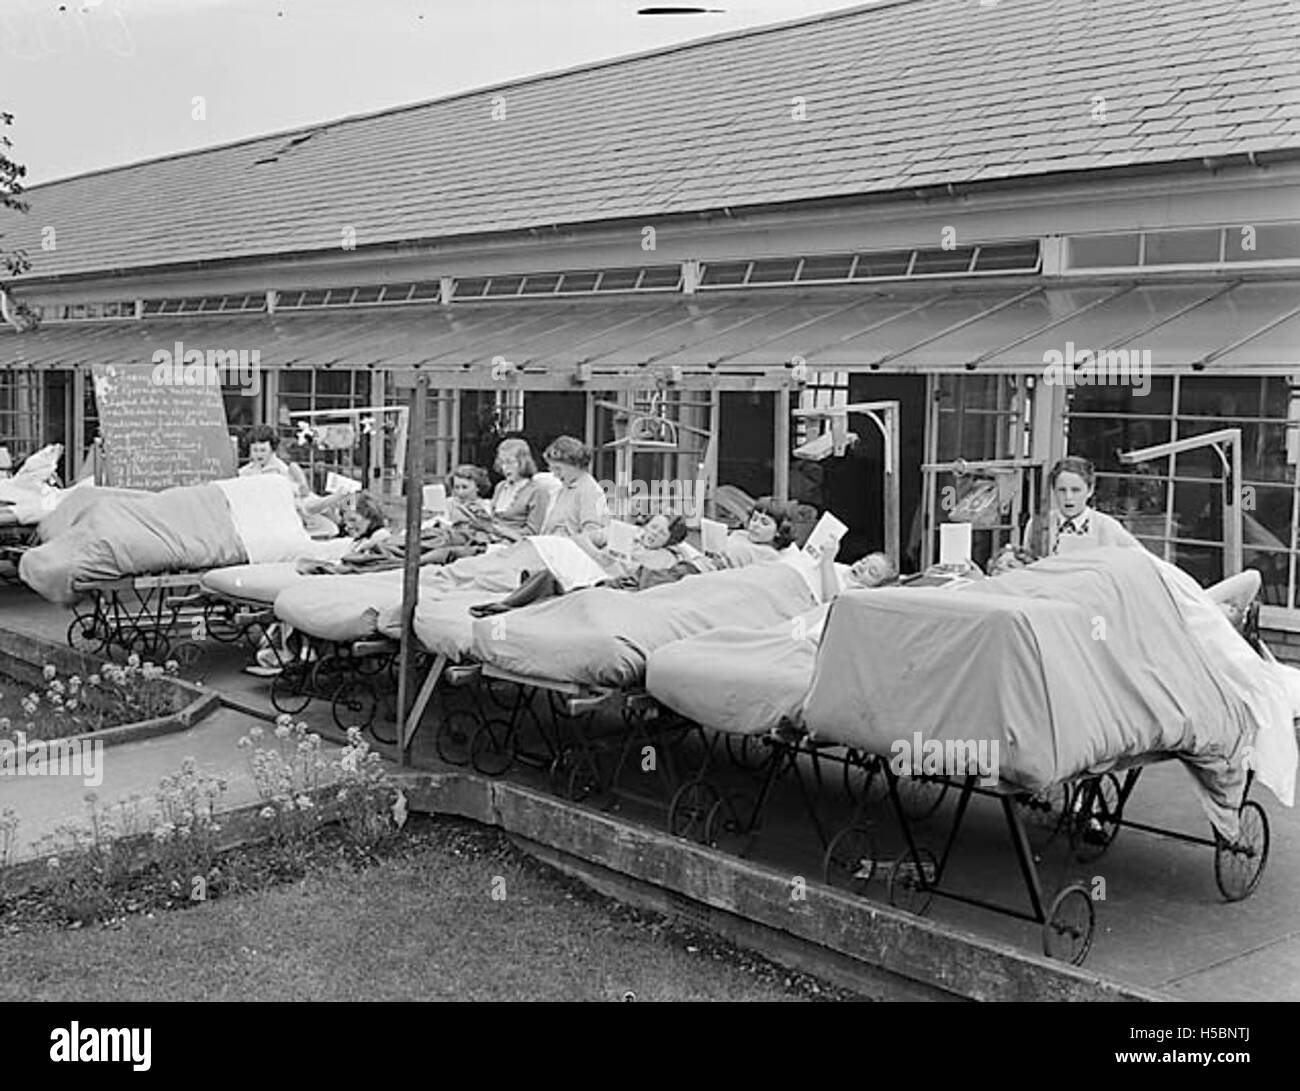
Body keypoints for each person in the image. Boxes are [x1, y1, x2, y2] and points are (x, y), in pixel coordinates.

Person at [992, 456, 1141, 575]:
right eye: (1062, 490)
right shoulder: (1039, 524)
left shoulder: (1107, 527)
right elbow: (1028, 566)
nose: (1068, 497)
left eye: (1076, 490)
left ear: (1090, 490)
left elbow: (1140, 560)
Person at [539, 436, 609, 552]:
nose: (555, 474)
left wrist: (566, 543)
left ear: (575, 465)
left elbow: (594, 535)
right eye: (552, 469)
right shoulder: (565, 488)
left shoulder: (590, 491)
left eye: (558, 469)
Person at [489, 438, 548, 539]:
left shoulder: (537, 491)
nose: (505, 467)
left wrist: (501, 531)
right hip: (491, 539)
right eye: (502, 463)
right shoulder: (500, 487)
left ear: (523, 463)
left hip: (515, 544)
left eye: (509, 462)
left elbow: (532, 532)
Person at [717, 497, 798, 567]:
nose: (756, 525)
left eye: (764, 523)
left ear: (779, 531)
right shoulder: (740, 534)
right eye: (754, 519)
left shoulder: (768, 555)